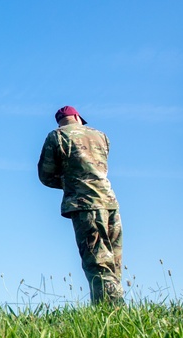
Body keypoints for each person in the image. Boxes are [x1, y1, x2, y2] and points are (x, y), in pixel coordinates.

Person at [37, 106, 124, 305]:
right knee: (113, 260)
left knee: (97, 260)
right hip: (110, 202)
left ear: (60, 121)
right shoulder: (101, 135)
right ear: (77, 117)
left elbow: (45, 174)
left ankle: (109, 311)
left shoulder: (56, 137)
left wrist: (69, 184)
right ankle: (116, 309)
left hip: (84, 204)